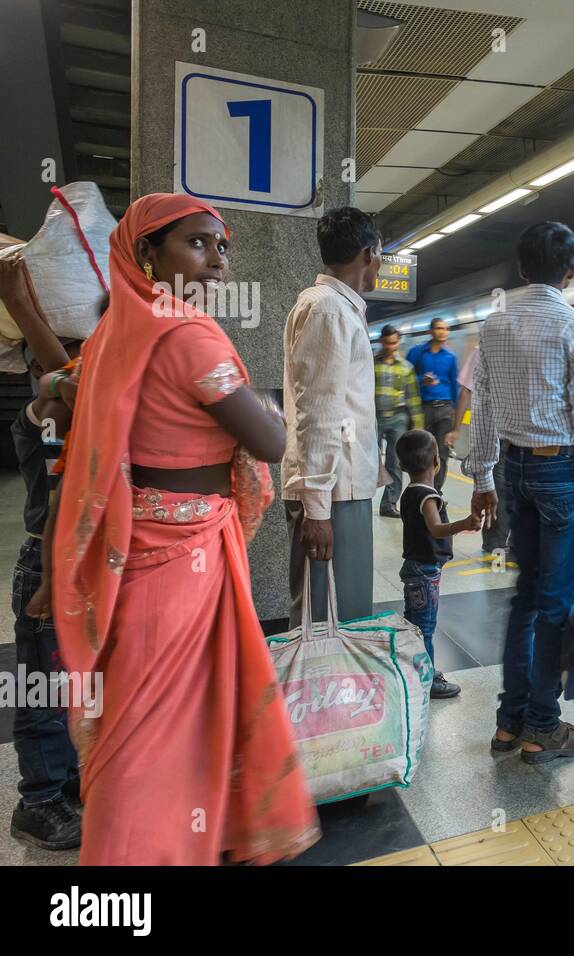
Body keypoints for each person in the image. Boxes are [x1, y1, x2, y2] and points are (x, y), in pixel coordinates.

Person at [51, 193, 318, 865]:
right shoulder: (187, 333)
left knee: (145, 728)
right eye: (197, 244)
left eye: (222, 247)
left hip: (130, 551)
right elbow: (270, 442)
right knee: (155, 740)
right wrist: (271, 408)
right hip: (182, 563)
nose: (217, 262)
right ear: (146, 254)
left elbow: (76, 400)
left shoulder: (116, 332)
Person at [465, 221, 574, 765]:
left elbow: (480, 404)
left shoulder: (494, 324)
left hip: (514, 473)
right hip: (560, 474)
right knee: (555, 607)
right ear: (570, 271)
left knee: (524, 601)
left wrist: (481, 477)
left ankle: (509, 724)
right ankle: (543, 728)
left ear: (522, 268)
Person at [0, 253, 82, 851]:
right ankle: (38, 801)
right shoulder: (40, 417)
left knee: (74, 684)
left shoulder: (76, 401)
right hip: (43, 567)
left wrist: (21, 299)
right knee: (43, 690)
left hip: (81, 565)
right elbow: (66, 385)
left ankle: (70, 779)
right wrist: (21, 304)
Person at [283, 206, 383, 626]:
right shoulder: (328, 310)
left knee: (341, 614)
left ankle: (335, 693)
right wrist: (318, 511)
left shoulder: (336, 308)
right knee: (325, 620)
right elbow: (318, 414)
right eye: (380, 254)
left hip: (341, 488)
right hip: (333, 492)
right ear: (368, 254)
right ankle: (318, 694)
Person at [395, 429, 480, 699]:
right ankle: (427, 680)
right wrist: (464, 524)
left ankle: (416, 671)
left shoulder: (409, 492)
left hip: (416, 569)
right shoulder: (427, 496)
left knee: (416, 625)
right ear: (436, 461)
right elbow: (436, 529)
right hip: (424, 572)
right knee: (425, 629)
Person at [453, 343, 511, 556]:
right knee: (500, 492)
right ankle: (495, 544)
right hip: (500, 440)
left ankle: (507, 543)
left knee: (508, 493)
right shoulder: (483, 349)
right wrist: (456, 428)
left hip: (514, 440)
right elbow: (468, 392)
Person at [374, 324, 423, 518]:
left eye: (393, 343)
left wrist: (418, 428)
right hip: (374, 418)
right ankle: (361, 498)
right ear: (381, 342)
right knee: (369, 460)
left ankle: (389, 504)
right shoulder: (371, 363)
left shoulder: (406, 367)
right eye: (387, 343)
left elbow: (412, 398)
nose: (390, 346)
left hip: (398, 417)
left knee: (395, 463)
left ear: (398, 342)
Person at [406, 317, 459, 492]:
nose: (443, 331)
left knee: (442, 453)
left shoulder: (451, 357)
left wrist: (456, 422)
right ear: (431, 331)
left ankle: (436, 490)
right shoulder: (417, 352)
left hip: (444, 409)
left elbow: (454, 387)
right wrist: (422, 380)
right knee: (422, 451)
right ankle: (421, 486)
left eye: (446, 328)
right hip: (423, 408)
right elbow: (406, 376)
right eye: (439, 328)